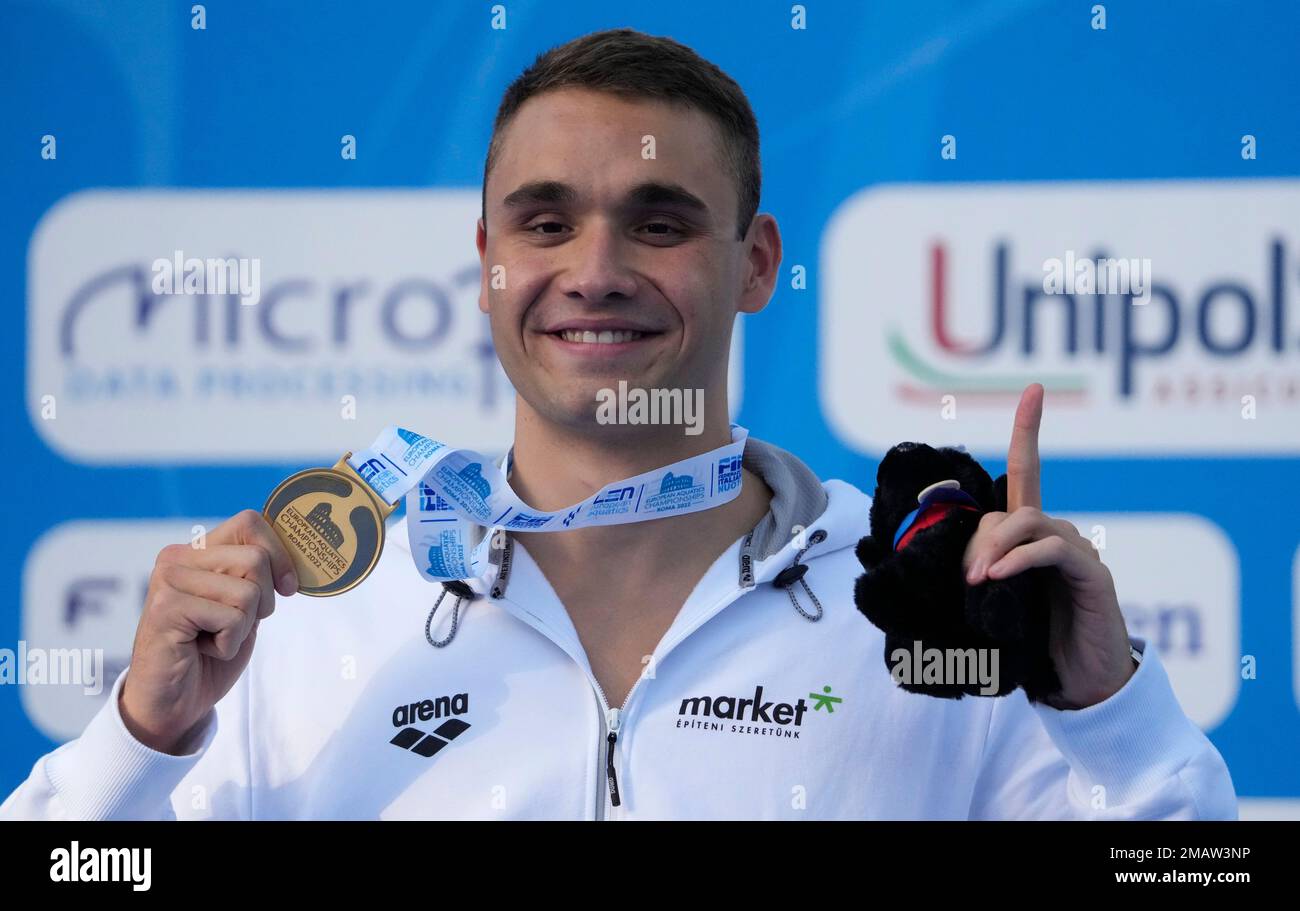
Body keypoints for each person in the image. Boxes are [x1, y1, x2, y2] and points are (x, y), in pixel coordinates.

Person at [1, 28, 1236, 820]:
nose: (593, 269)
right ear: (486, 261)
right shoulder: (302, 616)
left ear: (754, 263)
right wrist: (142, 738)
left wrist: (1108, 712)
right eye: (545, 222)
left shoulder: (922, 610)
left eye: (657, 222)